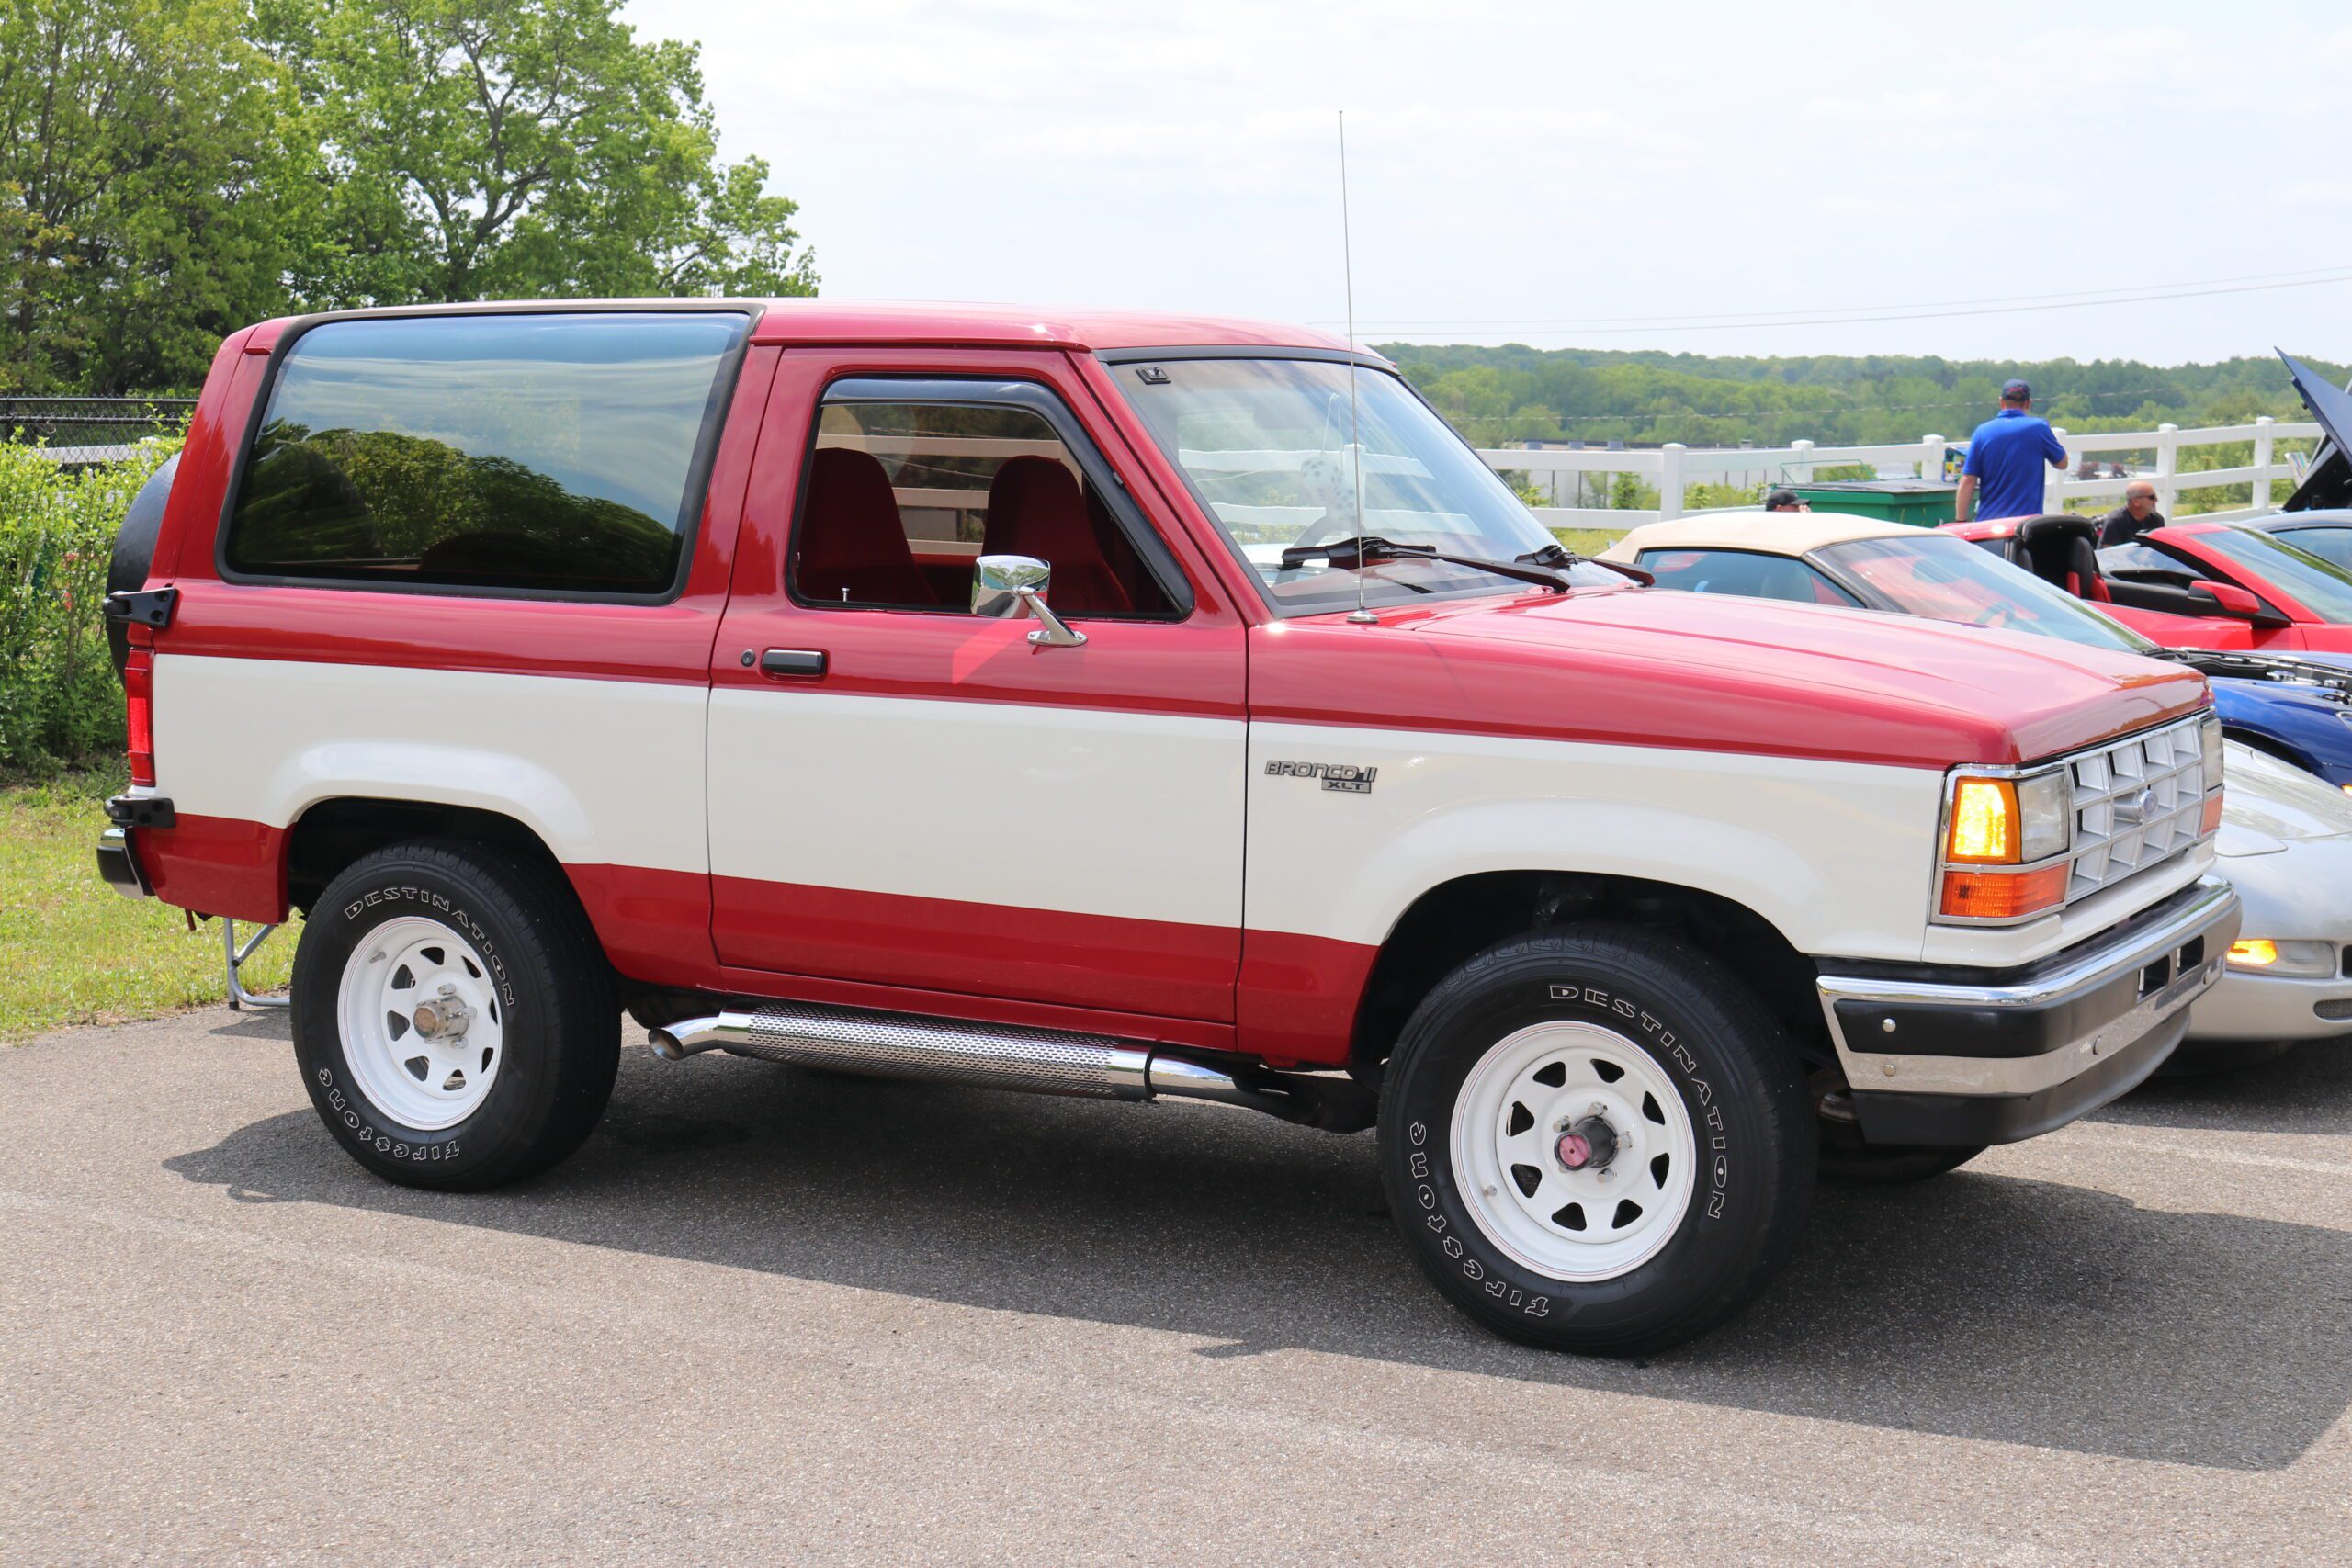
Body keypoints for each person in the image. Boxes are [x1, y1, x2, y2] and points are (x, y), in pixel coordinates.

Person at [1955, 380, 2069, 523]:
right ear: (2028, 403)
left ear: (2001, 402)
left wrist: (1960, 520)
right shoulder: (2039, 428)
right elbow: (2062, 463)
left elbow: (1967, 480)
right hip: (2026, 524)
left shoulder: (1982, 432)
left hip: (1988, 523)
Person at [2099, 480, 2165, 547]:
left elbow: (2160, 548)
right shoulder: (2115, 521)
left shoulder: (2157, 519)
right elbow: (2110, 553)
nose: (2156, 500)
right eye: (2152, 497)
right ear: (2136, 501)